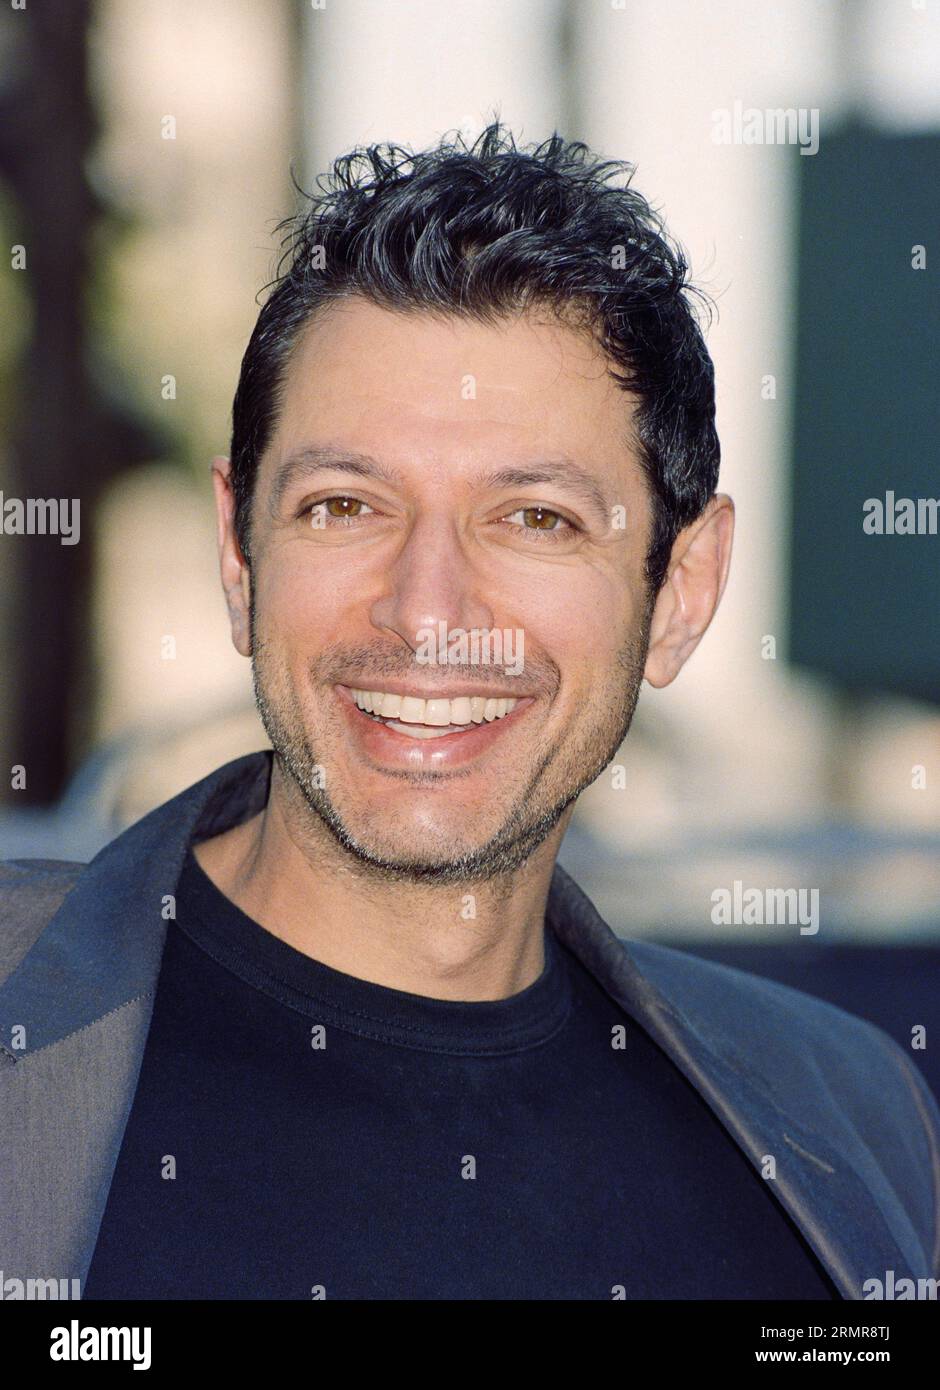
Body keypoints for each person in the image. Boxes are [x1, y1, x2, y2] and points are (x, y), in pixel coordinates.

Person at [1, 126, 937, 1302]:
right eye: (346, 506)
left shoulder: (851, 1121)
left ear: (682, 591)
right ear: (240, 558)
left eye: (533, 517)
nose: (427, 612)